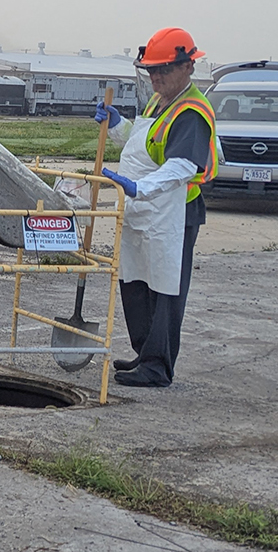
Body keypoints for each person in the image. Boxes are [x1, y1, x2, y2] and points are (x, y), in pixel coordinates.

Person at [95, 27, 218, 388]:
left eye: (163, 69)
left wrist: (140, 188)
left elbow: (181, 165)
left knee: (165, 289)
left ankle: (158, 365)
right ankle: (144, 352)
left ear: (188, 67)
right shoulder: (159, 102)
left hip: (174, 213)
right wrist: (118, 125)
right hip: (145, 210)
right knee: (136, 282)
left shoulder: (192, 111)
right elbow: (145, 143)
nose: (156, 77)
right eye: (151, 70)